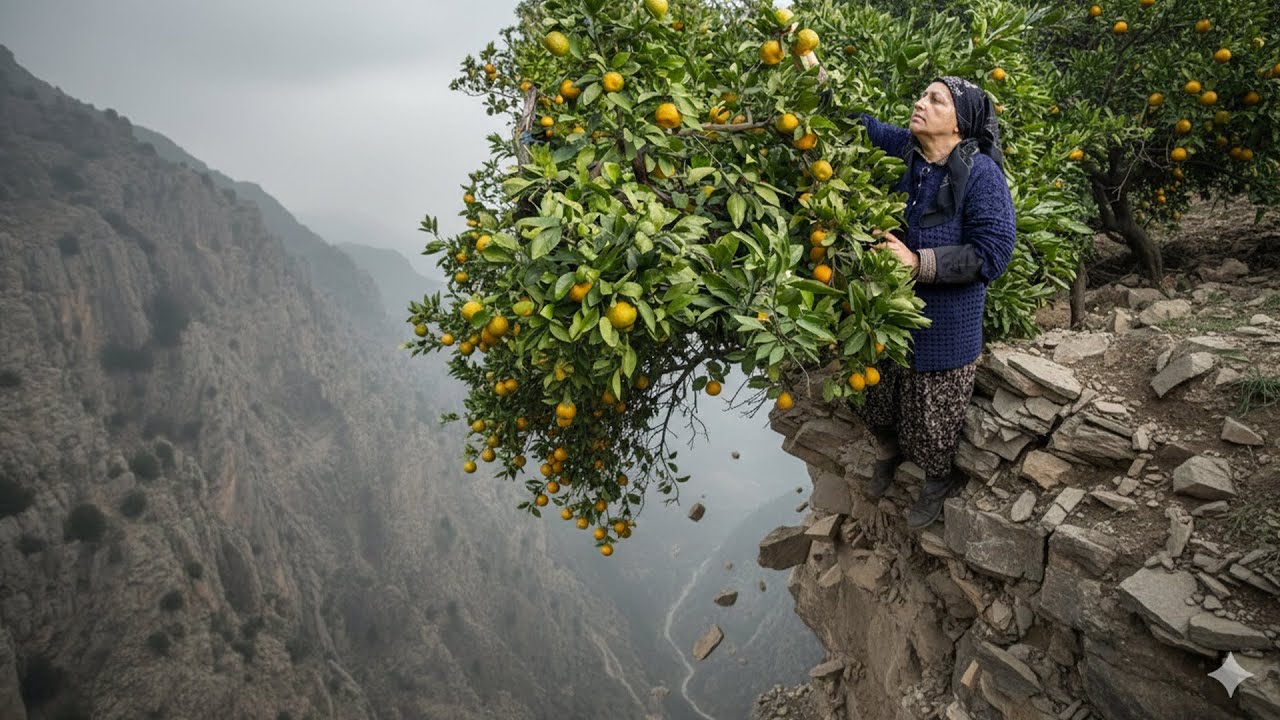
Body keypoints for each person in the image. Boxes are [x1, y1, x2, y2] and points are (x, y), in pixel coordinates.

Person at [853, 77, 1018, 529]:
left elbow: (994, 251)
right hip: (885, 320)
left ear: (959, 124)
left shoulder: (981, 175)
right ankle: (887, 455)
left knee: (932, 422)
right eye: (923, 95)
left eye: (935, 99)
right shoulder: (907, 150)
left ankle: (936, 479)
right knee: (876, 398)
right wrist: (810, 66)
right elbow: (855, 125)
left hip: (944, 328)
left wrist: (917, 263)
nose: (920, 102)